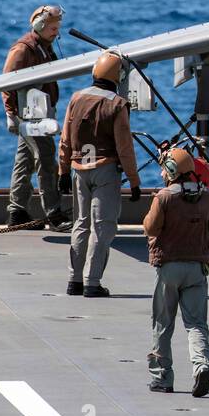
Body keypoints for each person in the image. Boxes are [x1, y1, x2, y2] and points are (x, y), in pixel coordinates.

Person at [57, 51, 141, 297]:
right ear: (118, 76)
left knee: (81, 224)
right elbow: (125, 147)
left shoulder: (76, 98)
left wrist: (62, 171)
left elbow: (64, 140)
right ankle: (92, 282)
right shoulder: (117, 105)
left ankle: (74, 280)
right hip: (105, 171)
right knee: (102, 227)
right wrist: (134, 182)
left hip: (78, 170)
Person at [142, 146, 209, 396]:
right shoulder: (208, 196)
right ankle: (202, 366)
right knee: (196, 324)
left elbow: (150, 228)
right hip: (197, 269)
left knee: (163, 324)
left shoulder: (164, 197)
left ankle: (162, 378)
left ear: (170, 170)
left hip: (169, 268)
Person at [3, 5, 71, 231]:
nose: (56, 33)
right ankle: (54, 214)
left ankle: (16, 211)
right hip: (30, 117)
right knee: (46, 159)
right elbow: (6, 83)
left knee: (24, 162)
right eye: (52, 28)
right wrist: (10, 114)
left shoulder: (44, 48)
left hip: (40, 113)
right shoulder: (23, 50)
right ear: (40, 26)